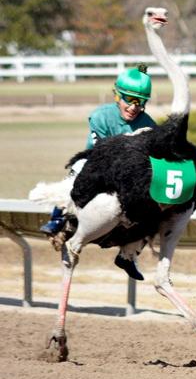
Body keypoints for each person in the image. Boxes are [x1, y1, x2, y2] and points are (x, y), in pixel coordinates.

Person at [39, 65, 157, 279]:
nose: (133, 106)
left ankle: (128, 255)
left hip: (129, 173)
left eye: (140, 102)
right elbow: (103, 152)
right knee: (77, 168)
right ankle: (57, 217)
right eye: (129, 99)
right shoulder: (100, 116)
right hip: (96, 161)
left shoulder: (150, 125)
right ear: (116, 96)